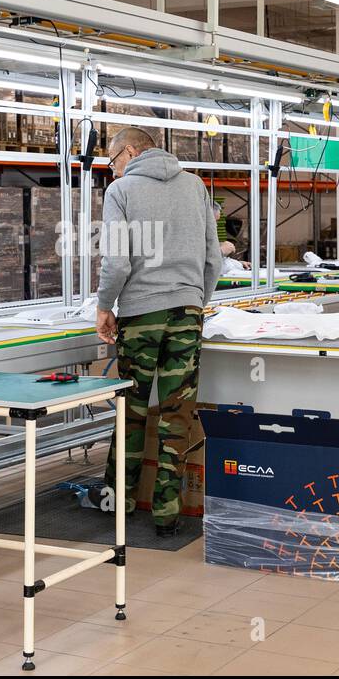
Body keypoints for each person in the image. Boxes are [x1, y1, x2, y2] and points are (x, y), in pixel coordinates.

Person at [96, 128, 221, 536]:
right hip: (187, 313)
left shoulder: (122, 191)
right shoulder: (195, 185)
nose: (112, 170)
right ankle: (167, 514)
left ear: (129, 151)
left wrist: (104, 307)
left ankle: (120, 502)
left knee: (130, 409)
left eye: (112, 161)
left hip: (140, 316)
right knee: (177, 413)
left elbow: (116, 263)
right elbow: (213, 257)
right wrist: (195, 300)